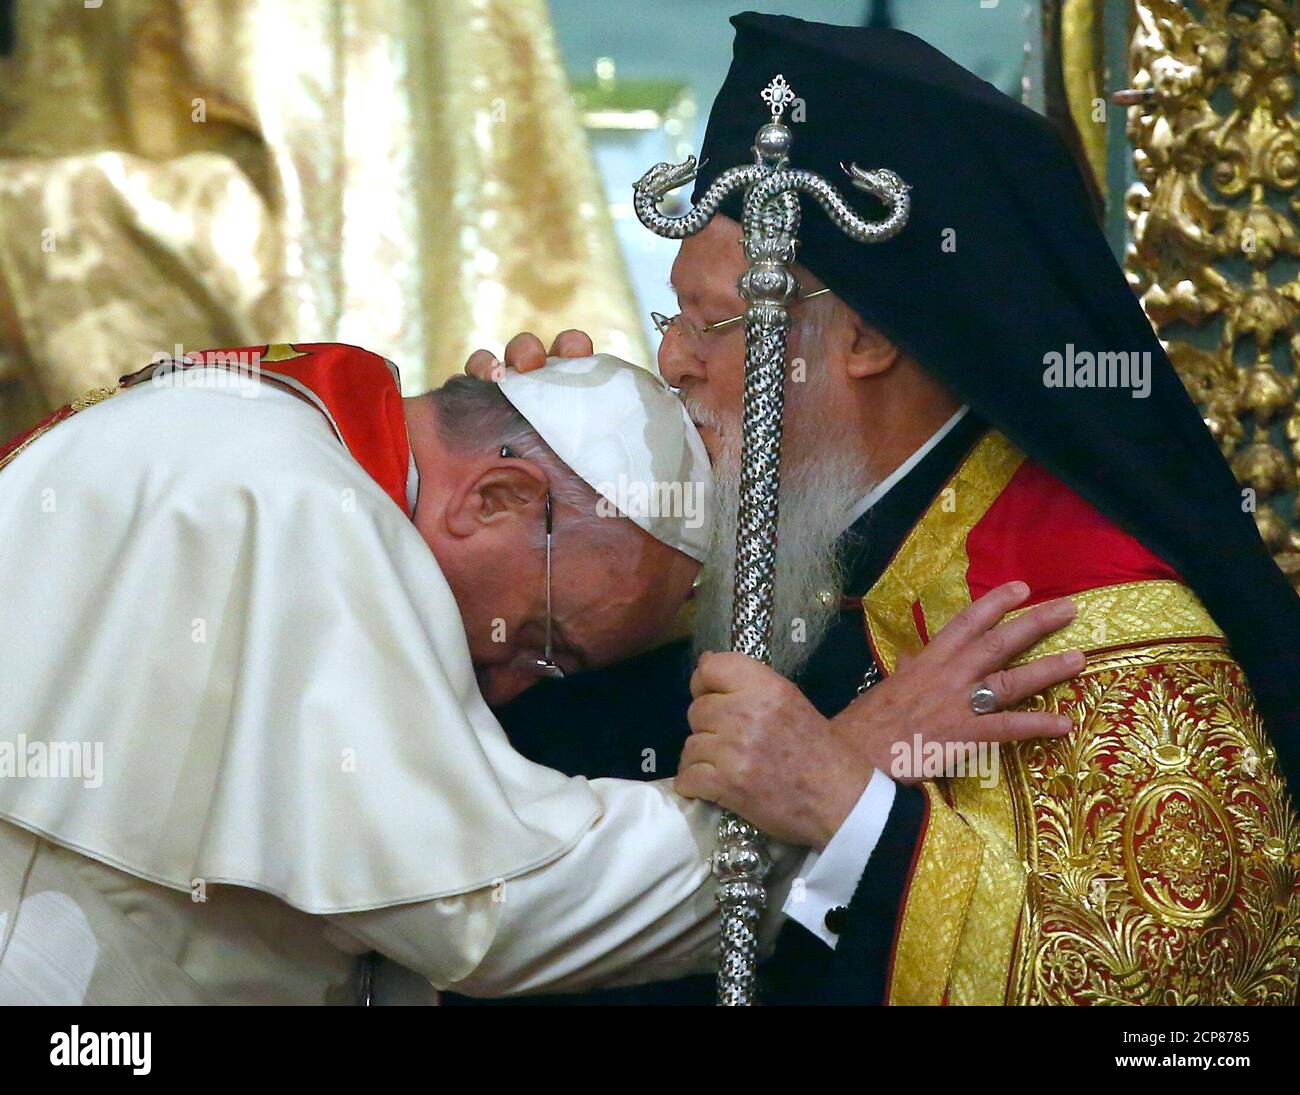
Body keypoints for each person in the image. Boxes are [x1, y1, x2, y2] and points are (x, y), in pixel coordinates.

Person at [458, 13, 1300, 1006]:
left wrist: (848, 809)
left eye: (711, 322)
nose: (672, 361)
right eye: (668, 315)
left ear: (861, 339)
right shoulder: (796, 542)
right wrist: (515, 550)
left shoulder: (1078, 611)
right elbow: (513, 849)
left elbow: (1188, 990)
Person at [0, 341, 1076, 1004]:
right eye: (547, 643)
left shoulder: (249, 433)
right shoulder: (294, 504)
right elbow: (494, 908)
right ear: (496, 501)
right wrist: (828, 772)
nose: (511, 691)